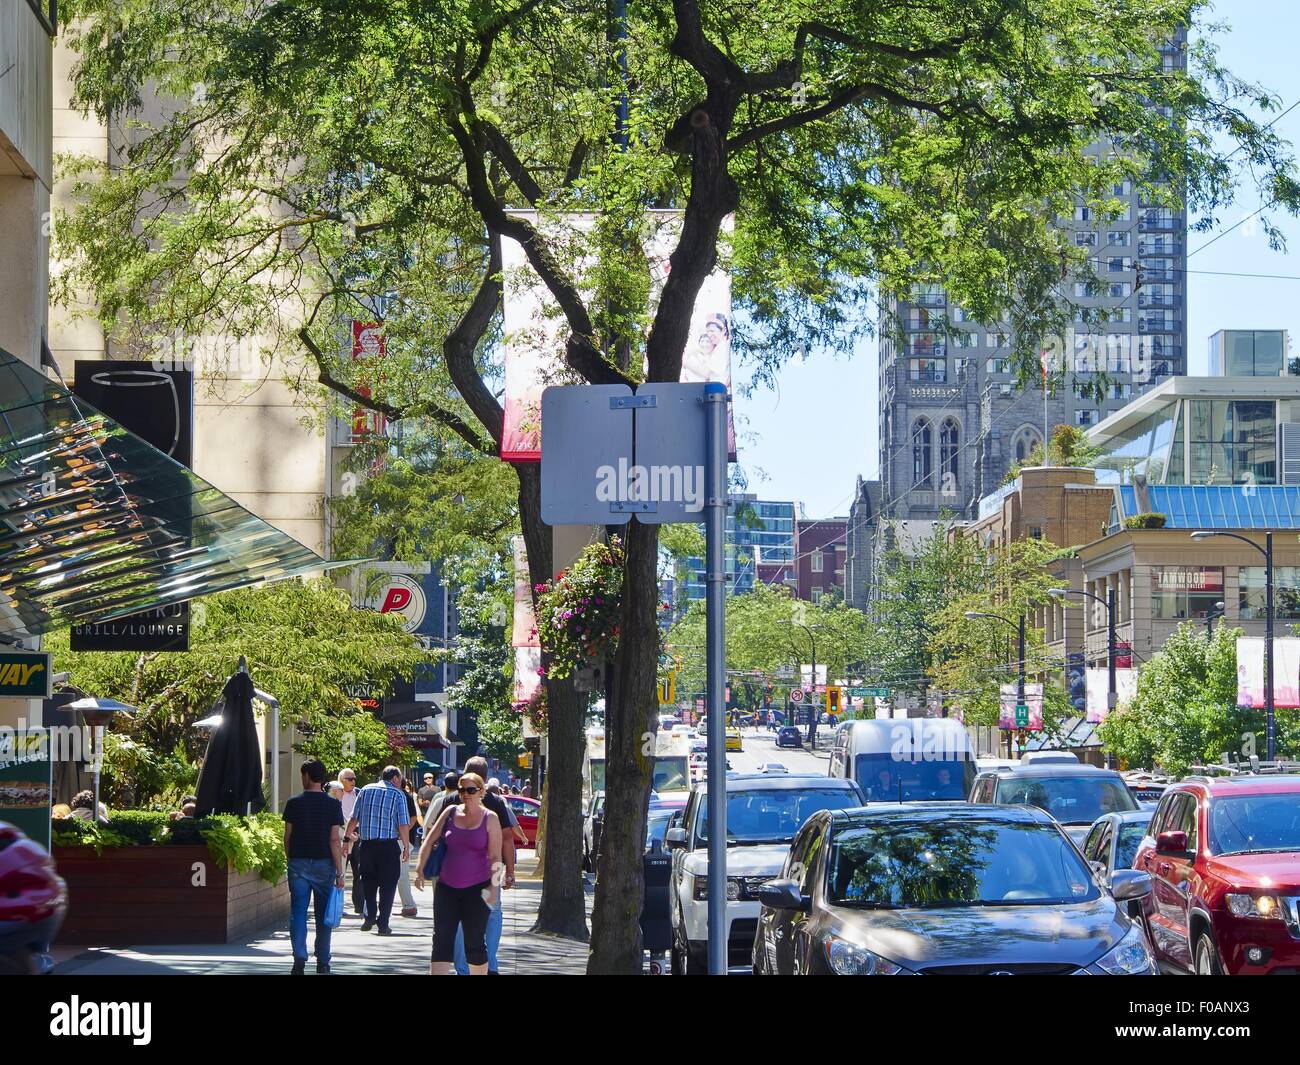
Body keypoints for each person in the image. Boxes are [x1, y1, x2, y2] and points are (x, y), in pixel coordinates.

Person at [415, 772, 502, 975]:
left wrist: (494, 887)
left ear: (481, 792)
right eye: (462, 790)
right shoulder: (451, 811)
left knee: (474, 942)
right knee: (442, 940)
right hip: (446, 887)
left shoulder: (490, 818)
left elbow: (496, 857)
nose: (465, 794)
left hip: (477, 888)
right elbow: (428, 841)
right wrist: (419, 869)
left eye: (470, 790)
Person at [450, 756, 518, 974]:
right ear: (487, 777)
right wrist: (510, 871)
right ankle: (490, 964)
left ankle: (463, 968)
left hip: (459, 869)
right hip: (492, 867)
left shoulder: (453, 799)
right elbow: (508, 838)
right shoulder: (496, 801)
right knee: (493, 913)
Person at [283, 760, 346, 974]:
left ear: (308, 776)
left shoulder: (293, 803)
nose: (302, 779)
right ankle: (323, 960)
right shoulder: (333, 805)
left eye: (303, 775)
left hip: (298, 862)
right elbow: (334, 840)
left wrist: (290, 859)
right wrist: (339, 872)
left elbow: (287, 837)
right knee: (323, 915)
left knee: (298, 912)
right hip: (324, 864)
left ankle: (299, 956)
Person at [344, 766, 410, 935]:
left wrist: (346, 839)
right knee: (388, 886)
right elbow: (403, 824)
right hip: (388, 846)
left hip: (366, 846)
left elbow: (354, 817)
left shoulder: (365, 790)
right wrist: (406, 847)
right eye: (400, 778)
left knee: (368, 883)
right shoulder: (397, 794)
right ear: (395, 779)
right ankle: (383, 923)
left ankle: (370, 916)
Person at [336, 768, 364, 915]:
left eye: (354, 778)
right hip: (341, 834)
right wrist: (346, 834)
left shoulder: (359, 793)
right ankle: (338, 906)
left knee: (359, 872)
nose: (353, 781)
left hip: (358, 834)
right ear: (342, 781)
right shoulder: (336, 794)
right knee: (339, 871)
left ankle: (359, 906)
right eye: (350, 779)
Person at [396, 775, 421, 918]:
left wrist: (403, 832)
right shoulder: (401, 795)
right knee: (400, 873)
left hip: (403, 840)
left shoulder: (405, 796)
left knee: (402, 874)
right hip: (401, 839)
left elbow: (413, 817)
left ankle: (409, 905)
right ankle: (408, 904)